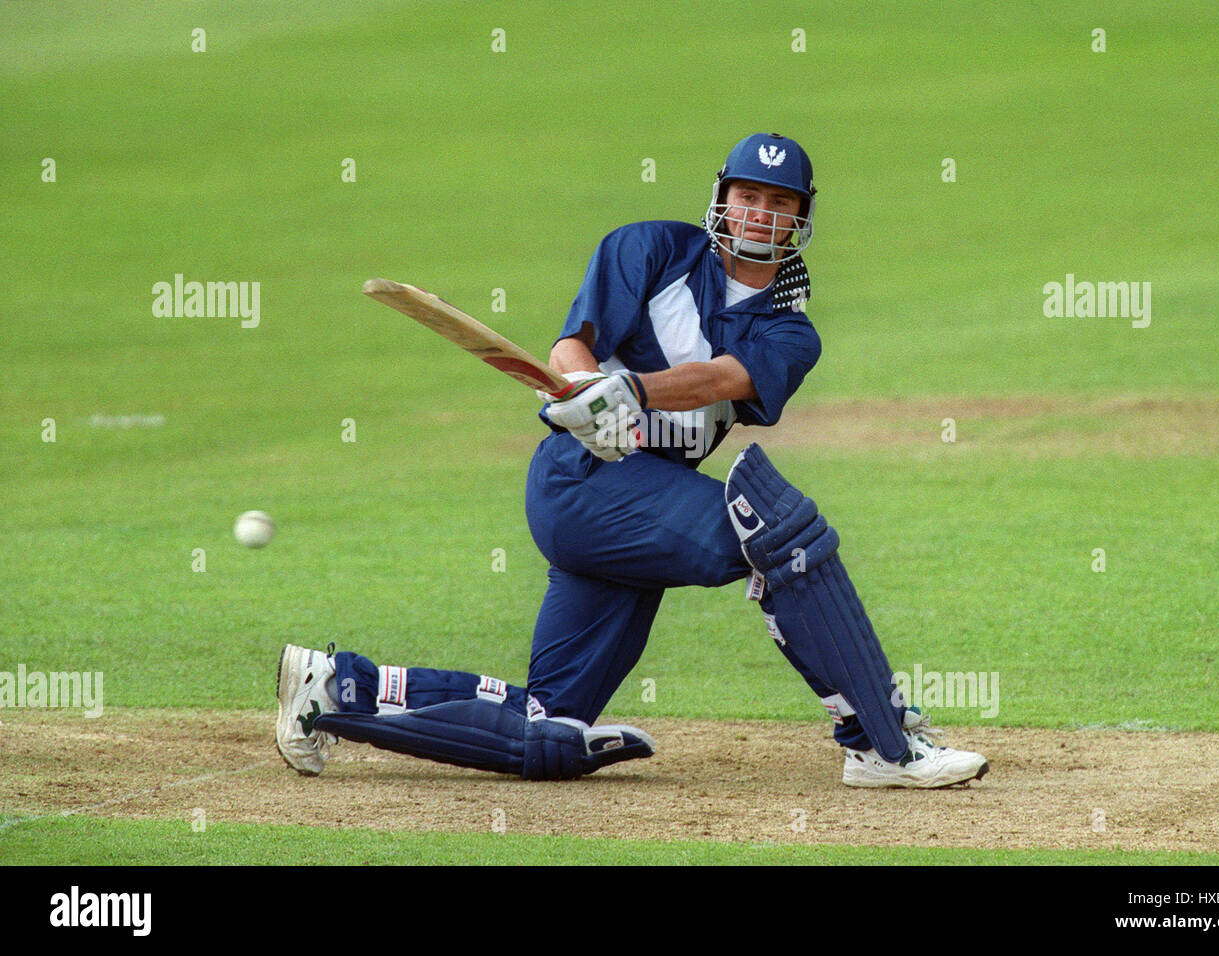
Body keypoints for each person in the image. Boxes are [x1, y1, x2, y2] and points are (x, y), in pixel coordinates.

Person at [276, 133, 989, 788]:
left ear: (802, 217)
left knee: (547, 731)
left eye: (780, 202)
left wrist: (631, 392)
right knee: (776, 531)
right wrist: (588, 390)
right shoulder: (649, 249)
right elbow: (569, 348)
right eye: (748, 196)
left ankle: (335, 686)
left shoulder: (790, 334)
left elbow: (720, 380)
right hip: (580, 480)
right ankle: (878, 739)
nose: (761, 214)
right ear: (721, 199)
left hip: (641, 507)